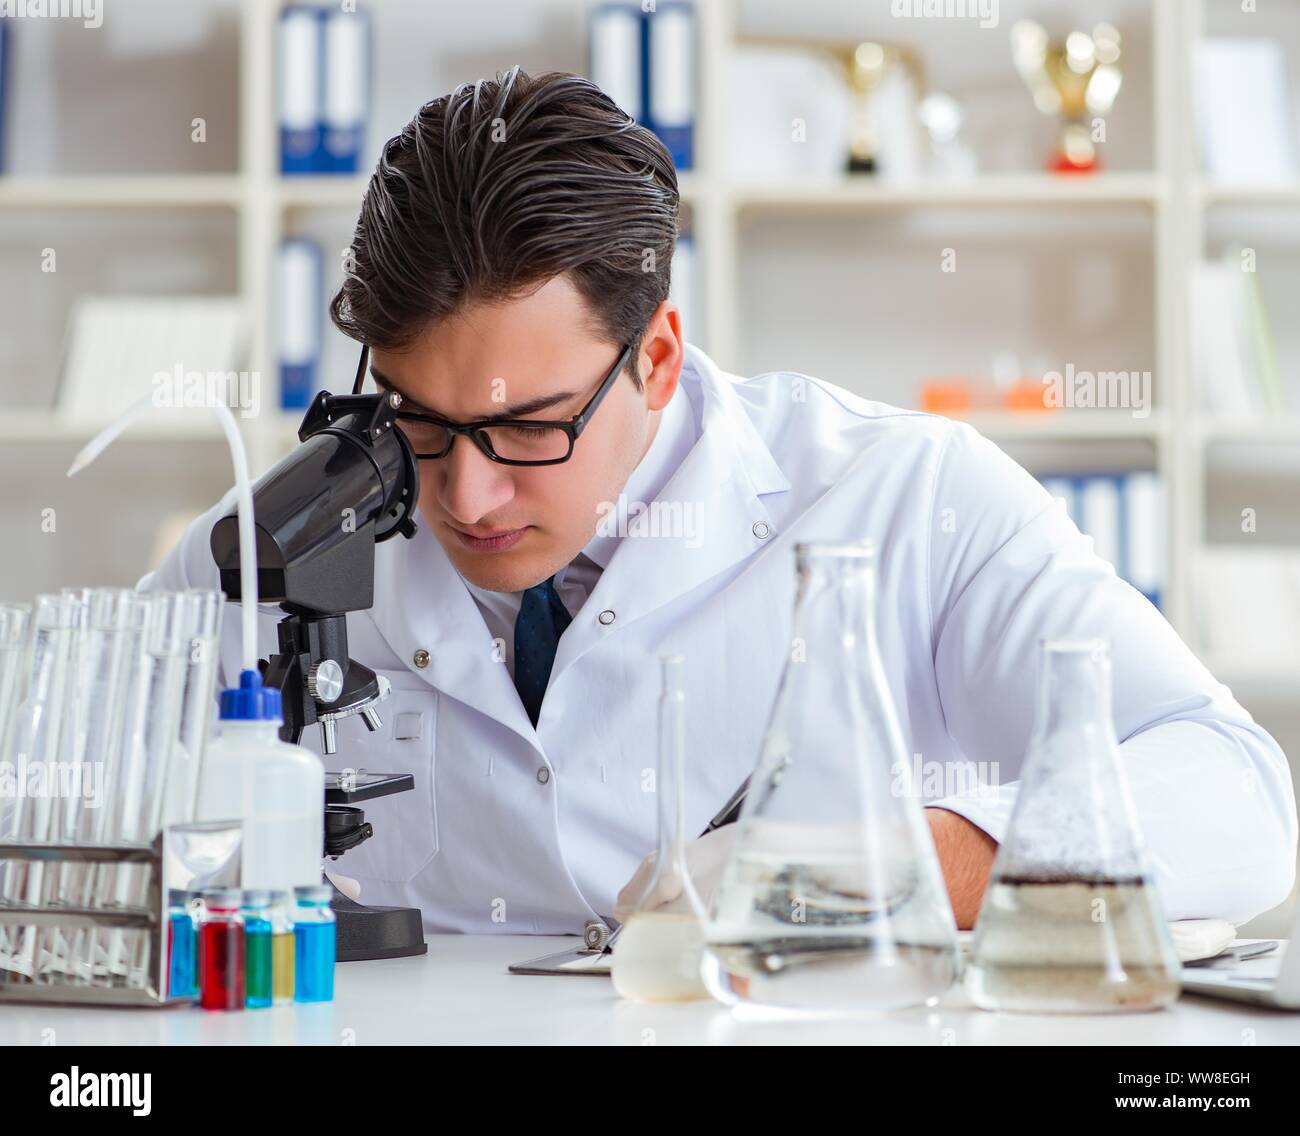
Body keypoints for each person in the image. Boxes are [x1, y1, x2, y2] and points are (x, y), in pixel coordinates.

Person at [143, 67, 1296, 935]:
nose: (467, 492)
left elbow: (1236, 797)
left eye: (530, 427)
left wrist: (881, 864)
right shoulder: (296, 532)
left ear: (653, 359)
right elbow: (69, 765)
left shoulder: (906, 495)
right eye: (420, 423)